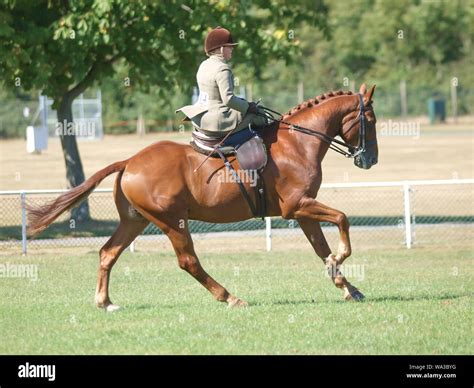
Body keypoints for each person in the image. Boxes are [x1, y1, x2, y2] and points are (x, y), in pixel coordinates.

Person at [176, 26, 267, 143]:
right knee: (260, 115)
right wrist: (248, 106)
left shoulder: (204, 65)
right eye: (230, 47)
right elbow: (228, 100)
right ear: (222, 49)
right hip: (217, 122)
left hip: (200, 117)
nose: (232, 50)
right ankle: (259, 155)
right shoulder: (223, 69)